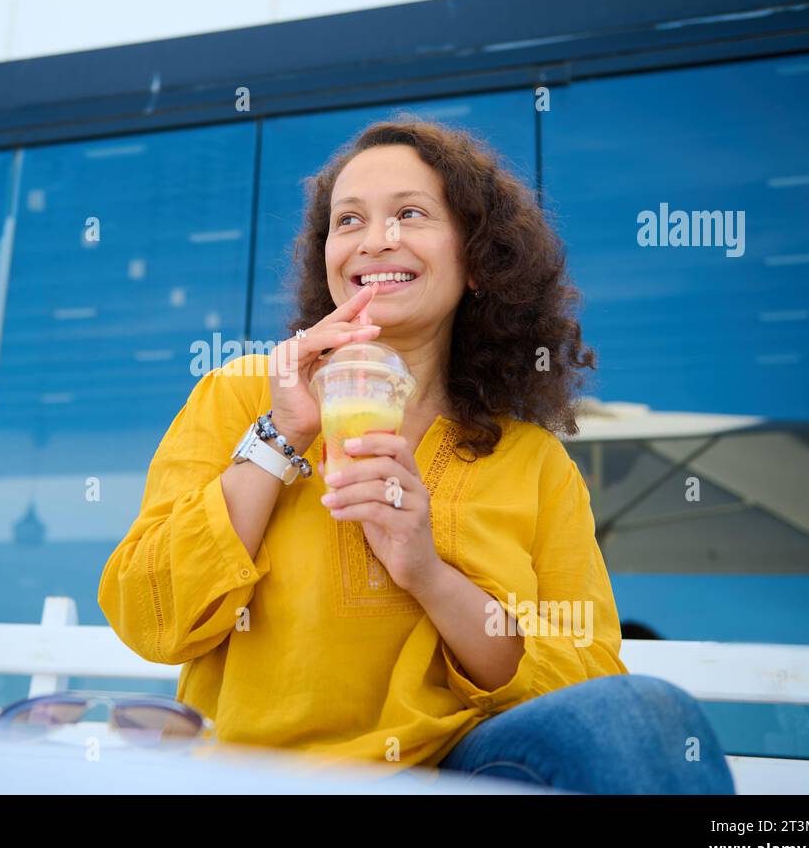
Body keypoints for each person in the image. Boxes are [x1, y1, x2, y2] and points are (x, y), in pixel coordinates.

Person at [97, 117, 734, 794]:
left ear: (479, 257)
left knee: (646, 712)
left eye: (409, 213)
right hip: (260, 778)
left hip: (459, 775)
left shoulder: (535, 462)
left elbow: (588, 682)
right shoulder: (242, 394)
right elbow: (148, 618)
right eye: (348, 221)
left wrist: (427, 572)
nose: (376, 241)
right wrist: (280, 440)